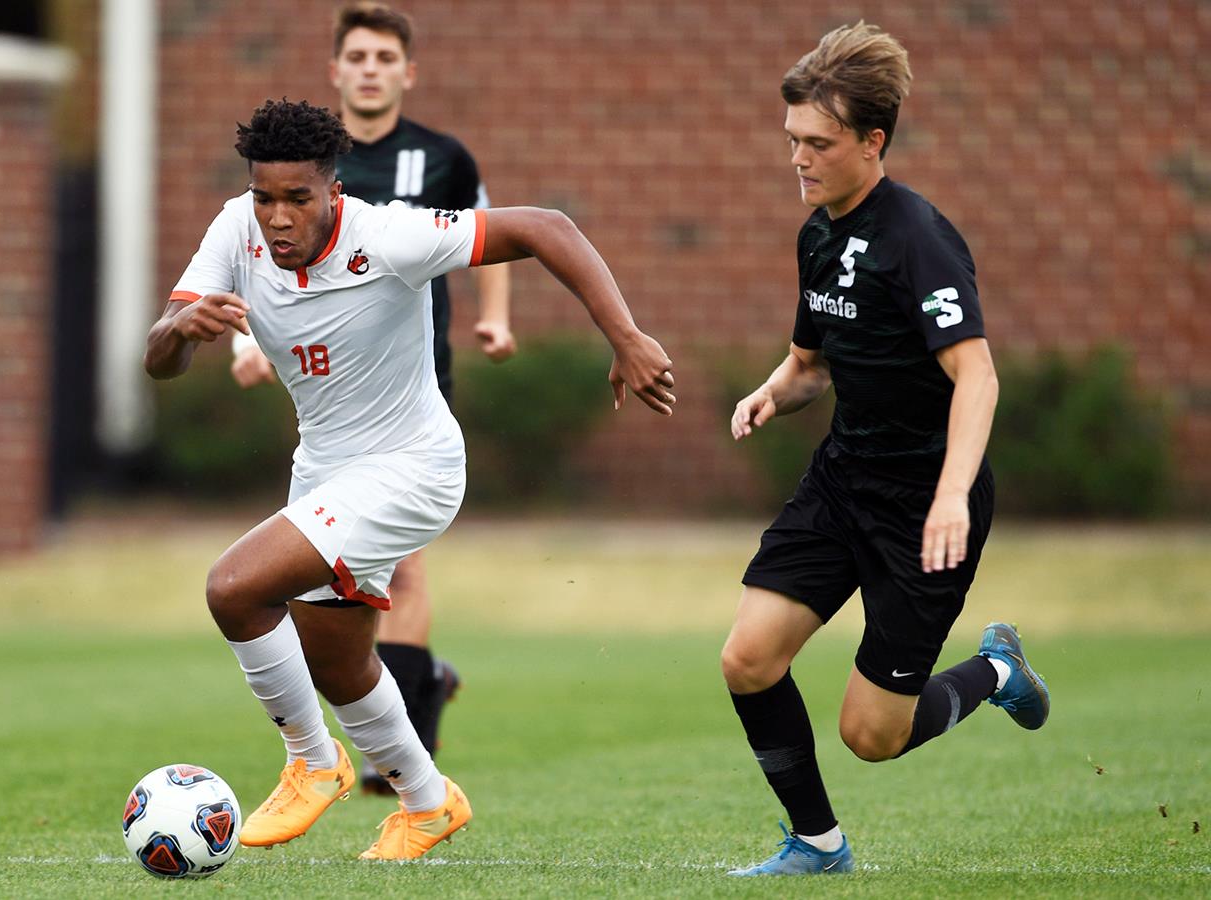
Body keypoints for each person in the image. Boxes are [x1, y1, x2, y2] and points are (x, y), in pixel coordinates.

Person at [147, 99, 672, 860]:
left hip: (413, 470)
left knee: (233, 587)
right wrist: (176, 332)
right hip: (325, 472)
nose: (279, 217)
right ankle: (428, 804)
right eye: (266, 197)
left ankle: (312, 761)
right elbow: (159, 360)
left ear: (334, 189)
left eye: (298, 198)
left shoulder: (389, 235)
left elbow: (548, 227)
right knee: (338, 660)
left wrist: (624, 336)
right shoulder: (236, 230)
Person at [720, 22, 1050, 876]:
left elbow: (977, 377)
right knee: (749, 658)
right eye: (792, 139)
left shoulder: (919, 239)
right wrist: (770, 393)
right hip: (843, 481)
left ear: (872, 142)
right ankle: (819, 846)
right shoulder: (818, 233)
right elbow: (812, 365)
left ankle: (995, 672)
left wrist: (951, 492)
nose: (798, 158)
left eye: (818, 144)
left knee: (873, 735)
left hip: (925, 507)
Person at [229, 3, 511, 795]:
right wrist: (243, 344)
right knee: (341, 597)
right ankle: (408, 716)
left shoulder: (441, 157)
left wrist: (495, 320)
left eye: (385, 57)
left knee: (398, 574)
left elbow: (493, 233)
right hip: (325, 397)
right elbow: (252, 274)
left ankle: (404, 755)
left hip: (412, 387)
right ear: (336, 70)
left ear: (406, 72)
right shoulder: (289, 172)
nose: (370, 68)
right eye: (357, 55)